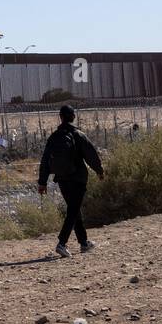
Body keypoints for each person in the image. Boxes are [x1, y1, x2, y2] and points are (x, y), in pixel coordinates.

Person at [37, 105, 105, 257]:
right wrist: (99, 171)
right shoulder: (78, 134)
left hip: (62, 179)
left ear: (60, 117)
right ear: (73, 117)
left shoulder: (53, 137)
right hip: (78, 179)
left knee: (74, 210)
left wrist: (42, 182)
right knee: (73, 210)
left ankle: (84, 243)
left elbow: (45, 161)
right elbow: (91, 155)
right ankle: (62, 243)